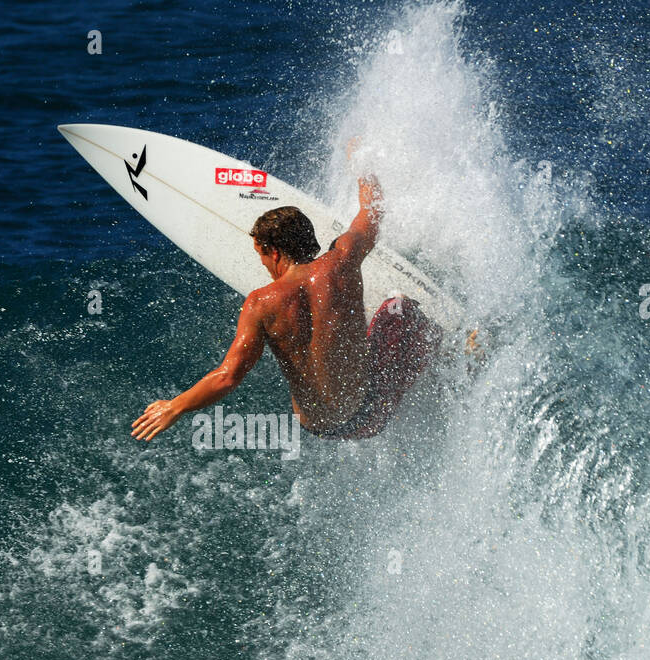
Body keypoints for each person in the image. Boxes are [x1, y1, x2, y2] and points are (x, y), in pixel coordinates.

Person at [131, 150, 448, 442]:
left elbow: (227, 377)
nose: (262, 262)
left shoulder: (261, 304)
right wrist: (362, 164)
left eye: (260, 254)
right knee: (398, 307)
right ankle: (455, 356)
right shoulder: (343, 260)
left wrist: (175, 407)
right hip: (373, 406)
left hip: (324, 427)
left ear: (272, 251)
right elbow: (372, 211)